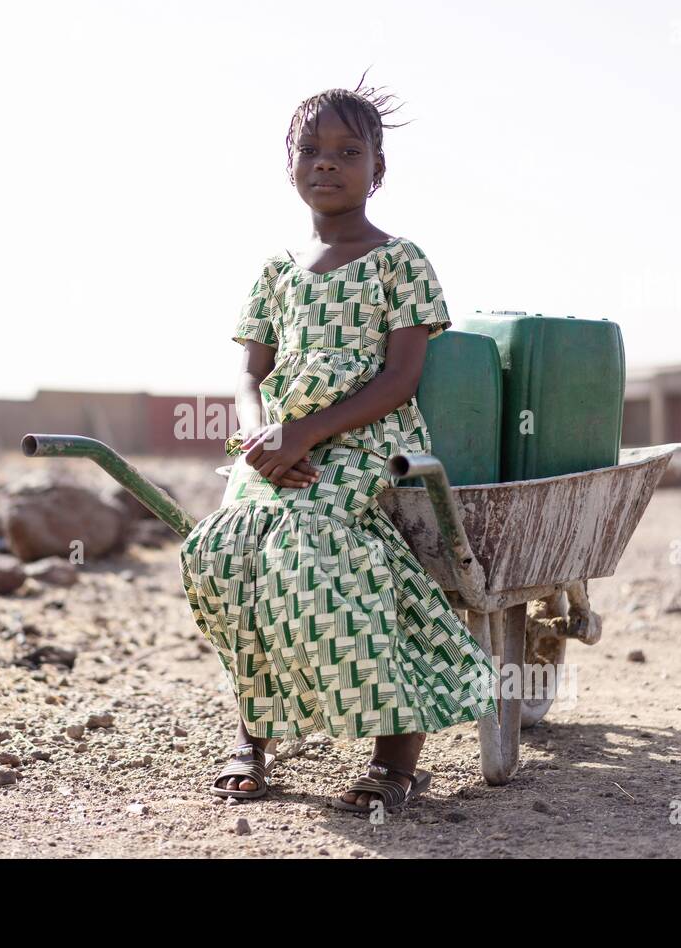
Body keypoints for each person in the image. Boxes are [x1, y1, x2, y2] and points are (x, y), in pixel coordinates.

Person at [179, 72, 499, 816]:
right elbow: (248, 370)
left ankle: (396, 758)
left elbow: (401, 377)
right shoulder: (274, 271)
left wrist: (305, 434)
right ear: (289, 165)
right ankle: (252, 735)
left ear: (377, 171)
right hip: (271, 448)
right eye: (310, 150)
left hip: (362, 441)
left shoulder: (400, 261)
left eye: (347, 151)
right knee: (224, 556)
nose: (326, 162)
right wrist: (259, 437)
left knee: (321, 552)